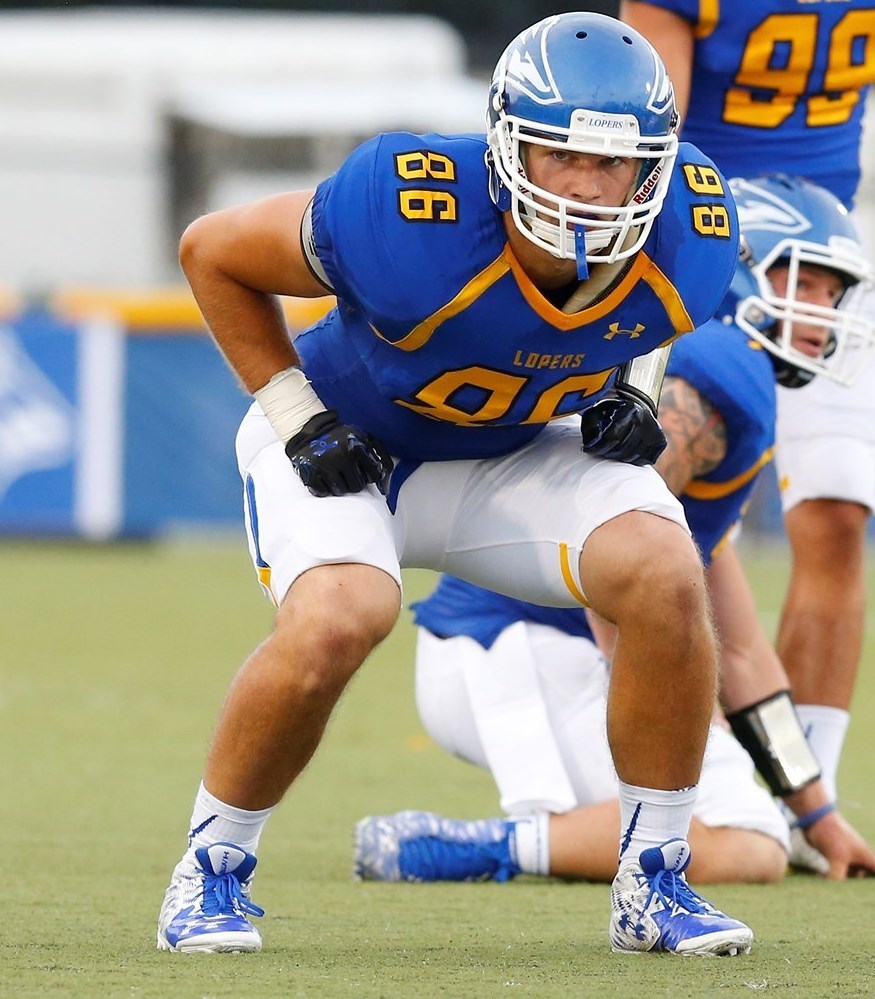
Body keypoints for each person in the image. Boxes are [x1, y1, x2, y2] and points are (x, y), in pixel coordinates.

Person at [157, 11, 754, 958]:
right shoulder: (407, 206)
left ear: (656, 166)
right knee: (339, 616)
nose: (591, 189)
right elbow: (212, 249)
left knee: (663, 566)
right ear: (507, 142)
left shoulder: (692, 224)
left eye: (618, 165)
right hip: (352, 443)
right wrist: (294, 413)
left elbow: (648, 311)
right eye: (563, 156)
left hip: (511, 454)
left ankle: (651, 878)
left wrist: (636, 386)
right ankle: (209, 871)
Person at [353, 174, 875, 888]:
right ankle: (469, 847)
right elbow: (618, 549)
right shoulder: (720, 369)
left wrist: (815, 814)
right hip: (515, 647)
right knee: (746, 839)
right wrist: (667, 695)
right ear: (747, 262)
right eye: (804, 282)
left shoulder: (720, 367)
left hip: (516, 646)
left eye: (829, 291)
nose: (820, 310)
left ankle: (530, 838)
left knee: (762, 830)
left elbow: (742, 645)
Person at [621, 0, 875, 872]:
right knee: (652, 522)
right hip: (718, 256)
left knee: (835, 513)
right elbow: (650, 134)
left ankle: (807, 800)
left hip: (821, 269)